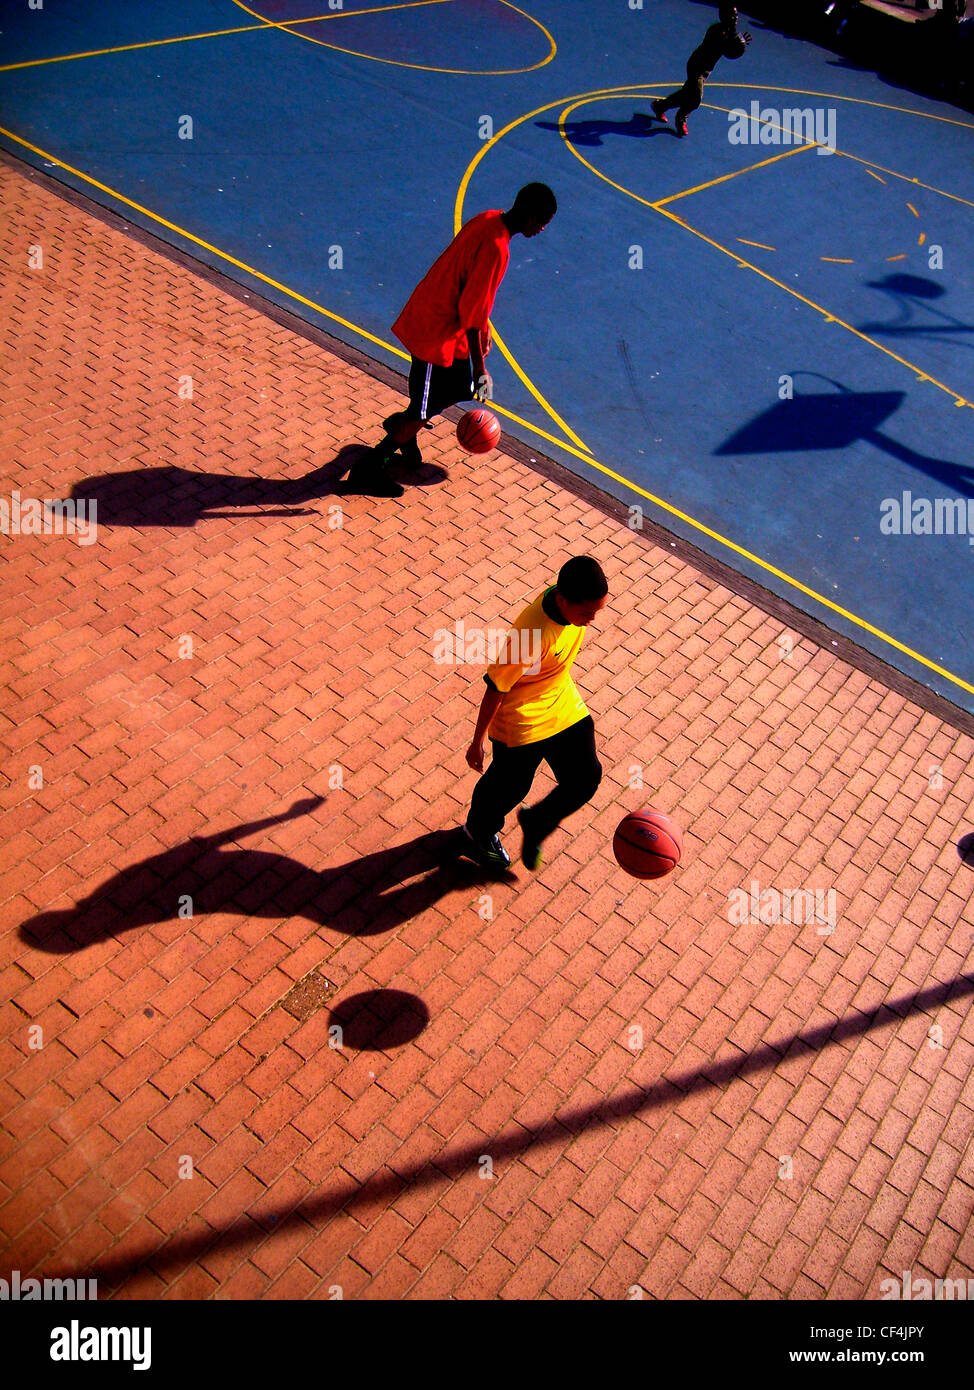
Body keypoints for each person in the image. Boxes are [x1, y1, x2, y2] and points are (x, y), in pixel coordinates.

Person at [344, 182, 557, 498]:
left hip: (439, 321)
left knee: (458, 389)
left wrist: (480, 335)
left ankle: (402, 427)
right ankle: (369, 468)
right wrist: (480, 368)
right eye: (541, 222)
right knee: (425, 407)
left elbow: (471, 294)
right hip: (436, 333)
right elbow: (471, 308)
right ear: (529, 216)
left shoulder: (488, 218)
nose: (542, 229)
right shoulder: (497, 248)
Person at [461, 556, 608, 873]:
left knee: (586, 777)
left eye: (596, 612)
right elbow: (496, 686)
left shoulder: (568, 596)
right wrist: (476, 742)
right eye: (586, 613)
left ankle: (537, 822)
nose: (591, 620)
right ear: (561, 599)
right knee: (511, 786)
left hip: (559, 698)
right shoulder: (530, 634)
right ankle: (477, 832)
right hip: (521, 715)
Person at [651, 4, 752, 139]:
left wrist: (741, 43)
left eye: (737, 15)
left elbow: (731, 47)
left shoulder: (730, 32)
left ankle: (660, 106)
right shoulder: (715, 31)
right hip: (696, 66)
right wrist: (737, 43)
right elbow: (724, 46)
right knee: (696, 98)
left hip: (705, 70)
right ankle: (681, 118)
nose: (736, 18)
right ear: (724, 17)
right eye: (732, 15)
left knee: (686, 94)